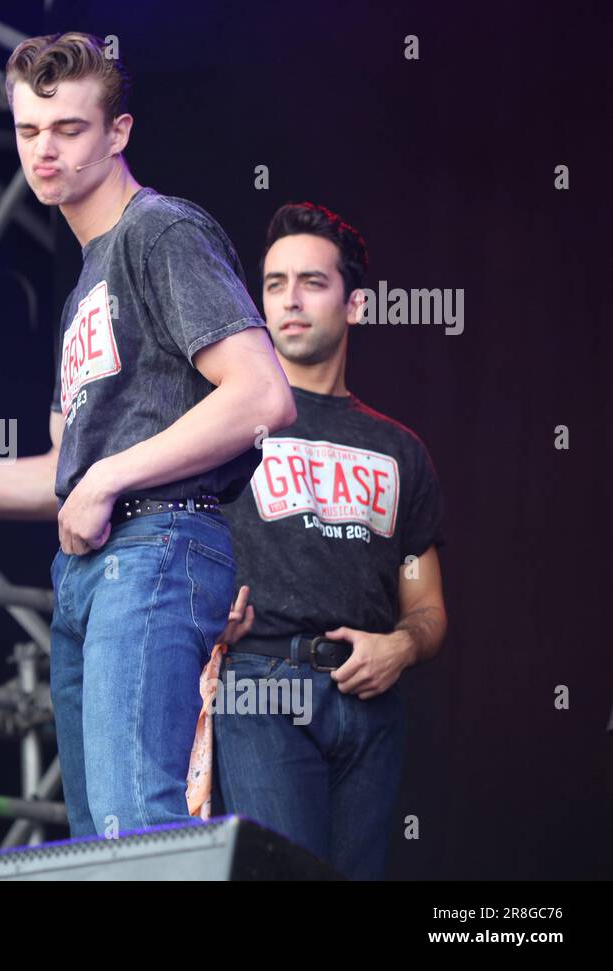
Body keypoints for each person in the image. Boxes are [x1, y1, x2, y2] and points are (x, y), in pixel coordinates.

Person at [0, 32, 296, 838]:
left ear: (118, 133)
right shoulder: (87, 274)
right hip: (96, 568)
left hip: (158, 544)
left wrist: (110, 479)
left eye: (68, 129)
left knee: (130, 827)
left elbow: (263, 393)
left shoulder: (160, 230)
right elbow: (62, 471)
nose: (44, 150)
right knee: (101, 841)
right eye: (28, 131)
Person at [214, 202, 449, 879]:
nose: (289, 300)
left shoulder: (401, 450)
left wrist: (401, 646)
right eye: (275, 283)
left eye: (312, 282)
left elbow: (429, 608)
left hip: (372, 704)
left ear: (357, 306)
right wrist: (203, 614)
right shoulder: (222, 423)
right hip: (261, 687)